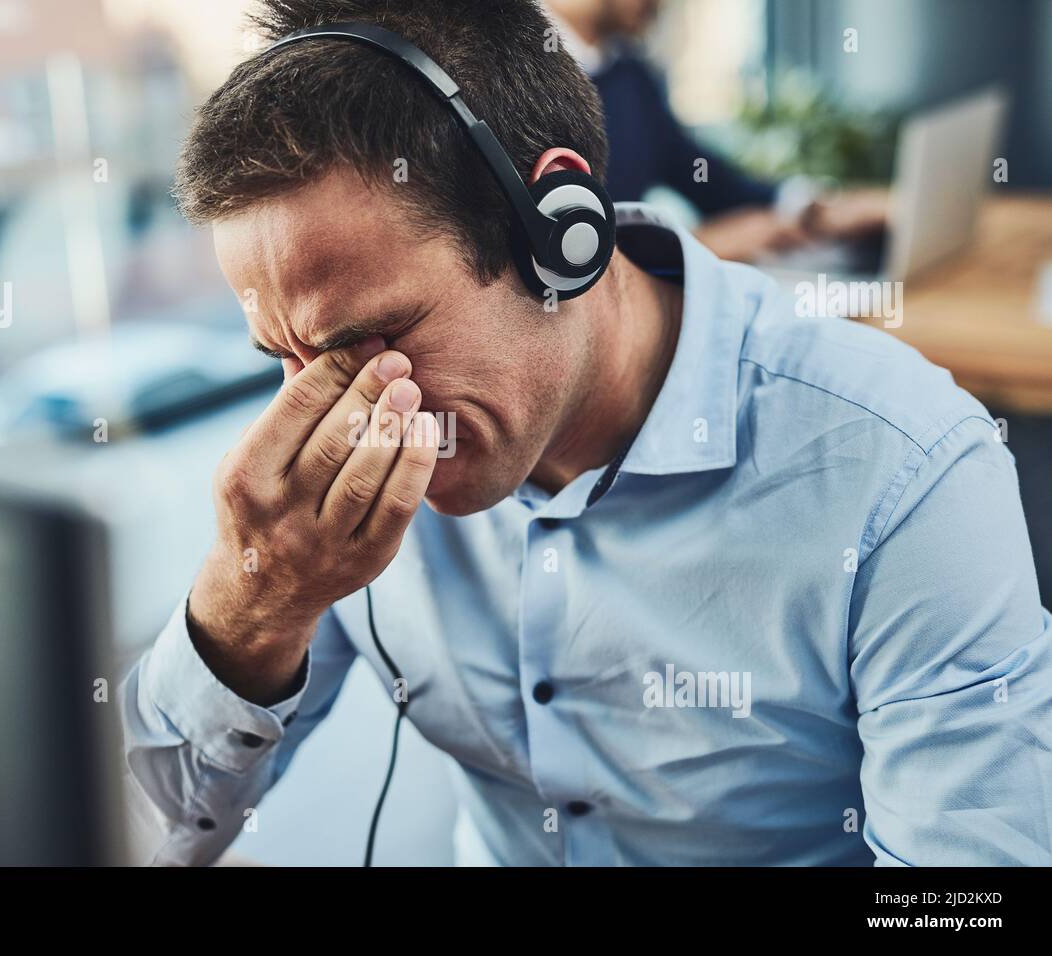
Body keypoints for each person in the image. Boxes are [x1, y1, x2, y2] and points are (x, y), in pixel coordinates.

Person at [120, 0, 1051, 866]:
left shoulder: (903, 469)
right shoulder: (317, 494)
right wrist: (254, 605)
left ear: (560, 230)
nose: (339, 411)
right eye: (285, 356)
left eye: (371, 341)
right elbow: (158, 833)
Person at [544, 0, 888, 262]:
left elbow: (707, 181)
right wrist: (691, 246)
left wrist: (816, 208)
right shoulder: (509, 74)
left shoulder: (628, 74)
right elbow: (549, 248)